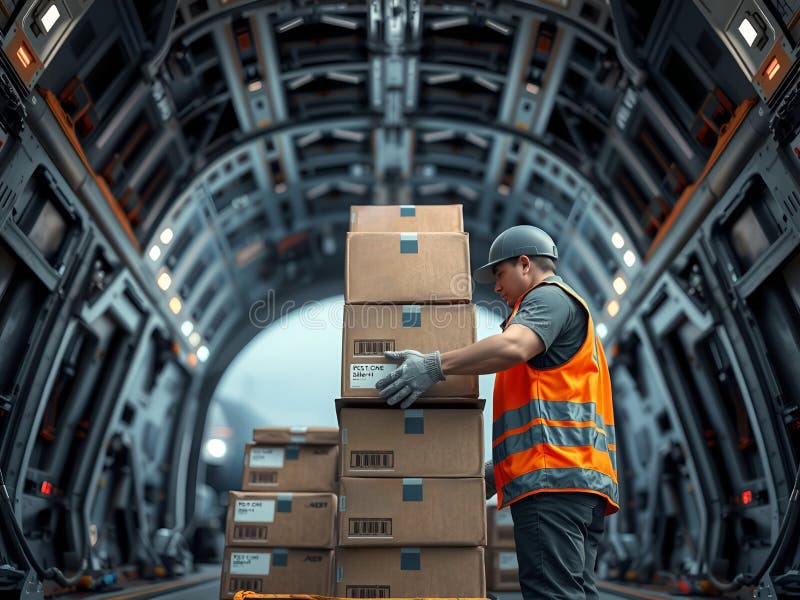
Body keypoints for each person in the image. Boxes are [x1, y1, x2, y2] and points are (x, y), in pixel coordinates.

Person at [375, 224, 619, 600]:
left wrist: (434, 366)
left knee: (551, 594)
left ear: (525, 264)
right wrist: (499, 470)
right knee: (575, 593)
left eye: (499, 274)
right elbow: (547, 413)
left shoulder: (548, 298)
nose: (496, 287)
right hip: (574, 480)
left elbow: (513, 347)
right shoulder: (566, 312)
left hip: (551, 481)